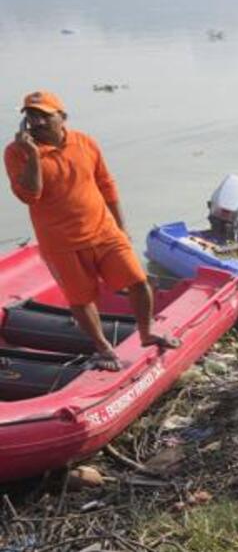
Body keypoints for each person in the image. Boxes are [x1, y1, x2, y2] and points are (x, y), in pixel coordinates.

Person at [5, 91, 177, 370]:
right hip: (61, 243)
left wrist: (121, 227)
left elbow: (106, 184)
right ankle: (104, 348)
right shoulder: (16, 153)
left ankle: (147, 332)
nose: (37, 122)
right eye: (31, 116)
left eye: (44, 115)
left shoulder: (85, 143)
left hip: (103, 231)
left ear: (62, 117)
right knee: (81, 300)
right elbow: (30, 196)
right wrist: (33, 156)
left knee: (139, 282)